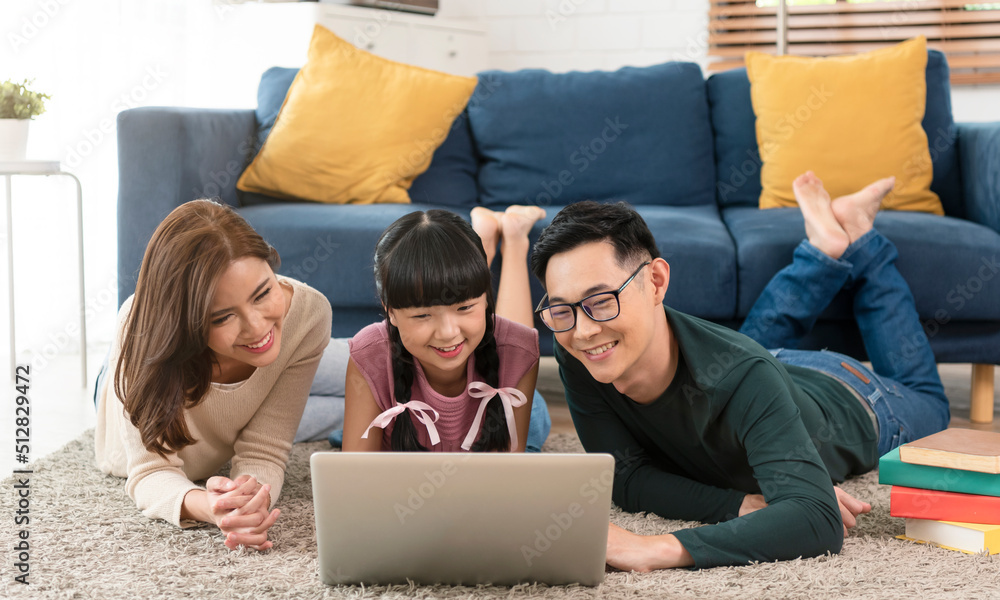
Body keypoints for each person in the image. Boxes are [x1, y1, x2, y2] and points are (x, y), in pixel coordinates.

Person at [529, 172, 950, 570]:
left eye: (601, 300)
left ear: (656, 282)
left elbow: (816, 520)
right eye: (561, 308)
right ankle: (822, 250)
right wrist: (736, 504)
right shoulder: (578, 343)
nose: (583, 330)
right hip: (765, 364)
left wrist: (652, 547)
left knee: (931, 402)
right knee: (747, 356)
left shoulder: (743, 375)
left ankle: (862, 239)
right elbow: (625, 476)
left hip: (857, 396)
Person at [95, 199, 332, 551]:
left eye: (263, 292)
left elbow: (265, 450)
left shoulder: (308, 313)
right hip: (119, 399)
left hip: (231, 412)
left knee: (375, 364)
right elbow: (150, 472)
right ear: (185, 323)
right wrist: (217, 508)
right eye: (222, 317)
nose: (256, 326)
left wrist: (251, 498)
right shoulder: (141, 329)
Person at [342, 206, 551, 452]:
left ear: (485, 297)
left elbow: (504, 476)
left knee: (511, 342)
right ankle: (484, 237)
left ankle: (514, 239)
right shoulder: (369, 355)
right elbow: (356, 475)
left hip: (508, 390)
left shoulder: (520, 351)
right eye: (422, 315)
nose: (447, 333)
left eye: (464, 308)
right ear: (390, 312)